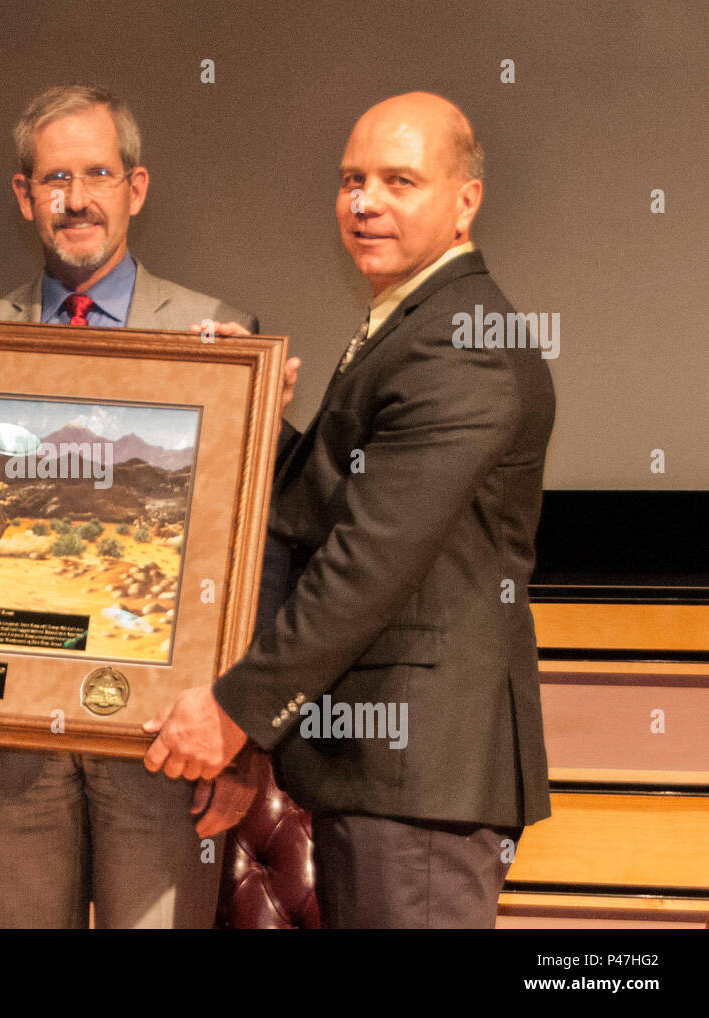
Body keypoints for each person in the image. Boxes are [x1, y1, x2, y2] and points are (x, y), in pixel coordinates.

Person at [145, 92, 556, 928]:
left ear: (465, 200)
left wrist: (231, 713)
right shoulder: (414, 321)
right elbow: (345, 496)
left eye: (399, 180)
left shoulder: (461, 340)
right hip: (387, 773)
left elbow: (365, 562)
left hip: (417, 773)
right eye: (351, 180)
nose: (365, 202)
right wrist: (247, 411)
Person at [0, 84, 285, 929]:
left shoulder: (218, 335)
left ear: (136, 187)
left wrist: (237, 733)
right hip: (7, 752)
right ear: (25, 197)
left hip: (165, 750)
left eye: (97, 174)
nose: (75, 199)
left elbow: (257, 548)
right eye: (53, 179)